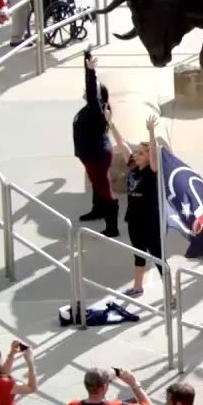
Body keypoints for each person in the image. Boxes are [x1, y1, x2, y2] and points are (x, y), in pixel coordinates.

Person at [106, 113, 162, 297]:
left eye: (141, 153)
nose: (137, 155)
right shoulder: (132, 166)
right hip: (134, 219)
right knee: (138, 254)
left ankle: (171, 292)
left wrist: (151, 133)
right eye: (137, 152)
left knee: (158, 257)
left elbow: (153, 153)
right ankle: (138, 287)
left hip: (151, 220)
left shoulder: (152, 172)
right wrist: (111, 123)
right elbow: (122, 144)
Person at [74, 54, 116, 237]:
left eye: (90, 90)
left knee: (104, 189)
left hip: (96, 155)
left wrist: (90, 70)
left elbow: (91, 88)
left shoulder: (95, 107)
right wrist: (87, 61)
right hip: (92, 153)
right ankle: (97, 210)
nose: (86, 90)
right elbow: (91, 88)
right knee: (97, 184)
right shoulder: (95, 107)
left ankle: (112, 227)